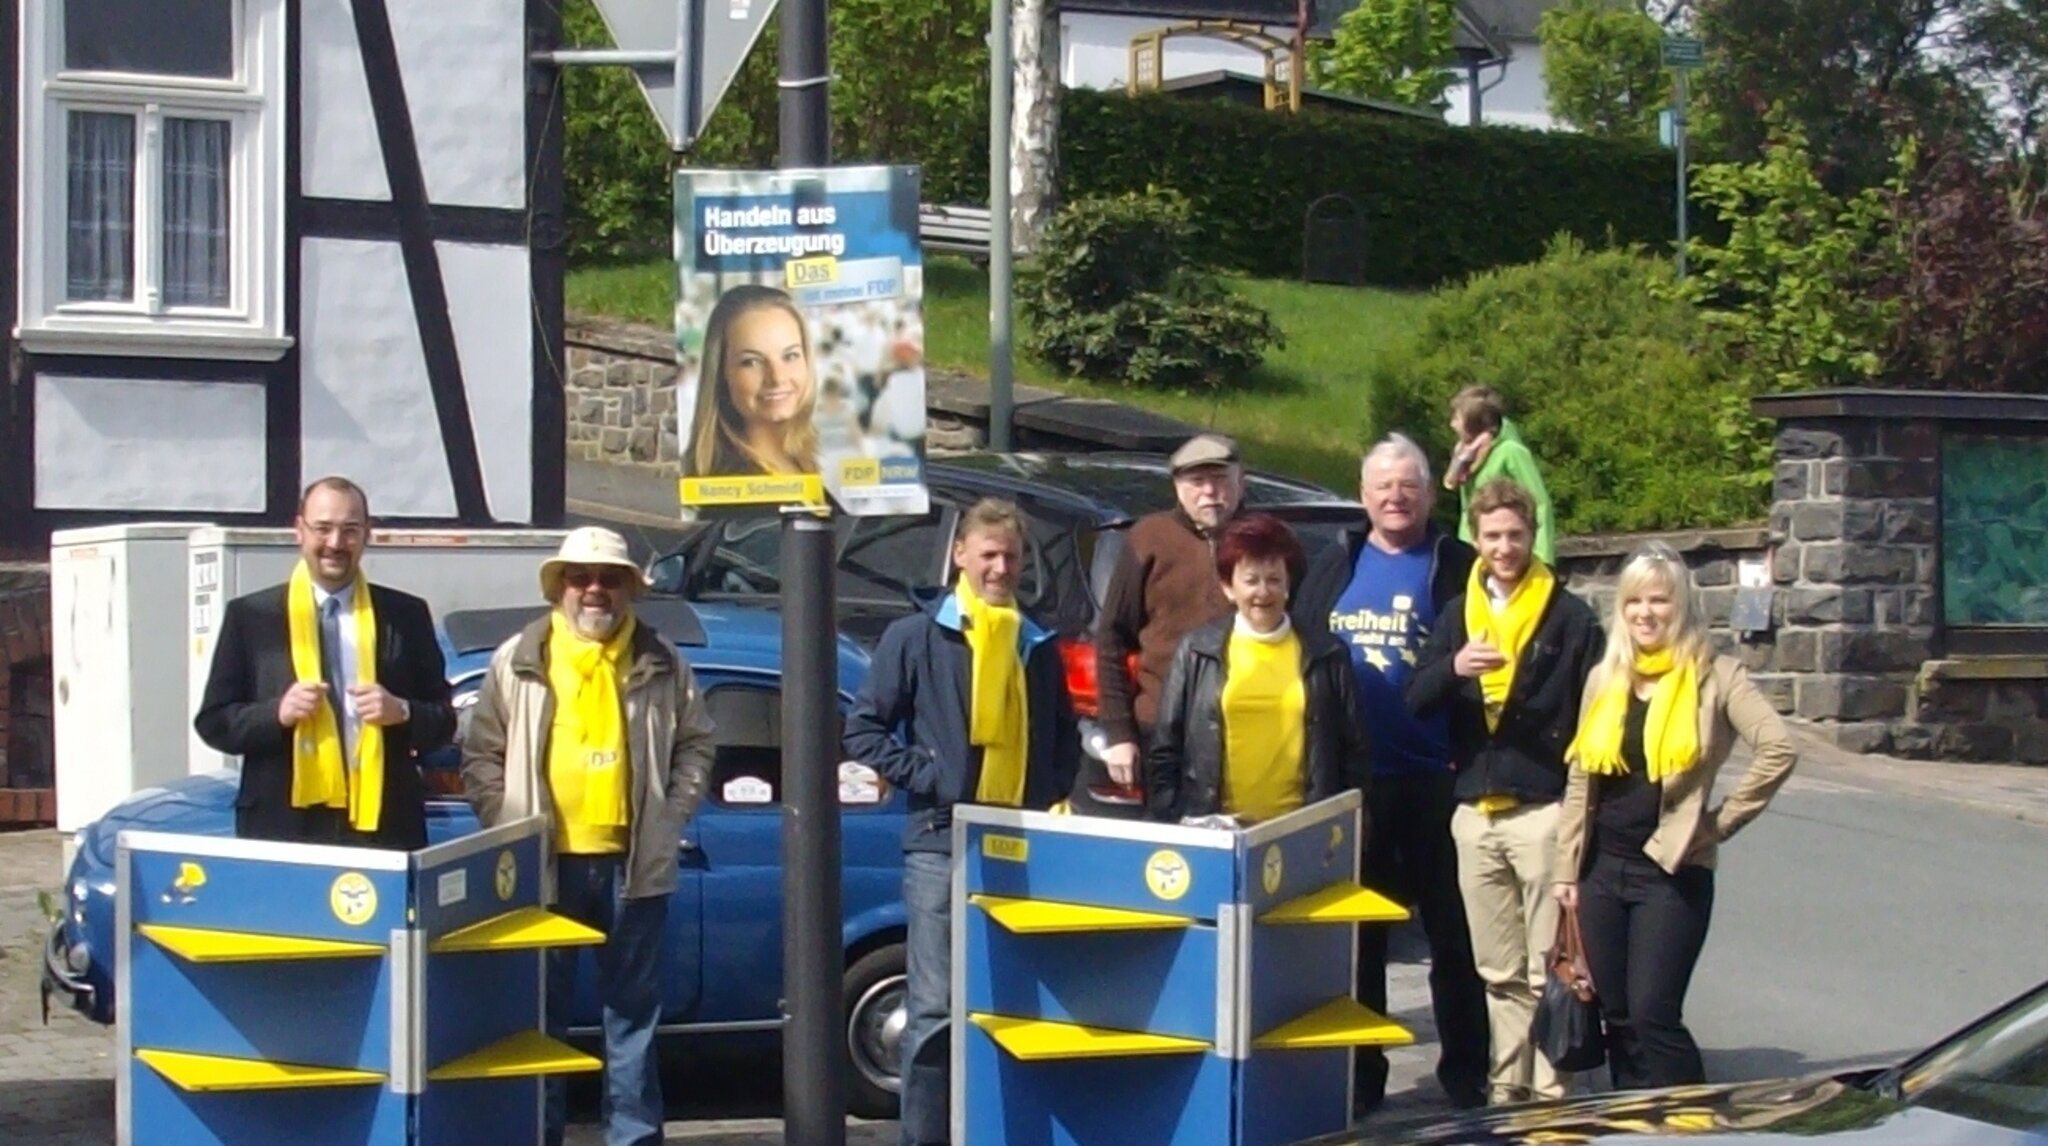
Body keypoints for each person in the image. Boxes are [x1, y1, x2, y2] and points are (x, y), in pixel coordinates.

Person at [460, 526, 717, 1146]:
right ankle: (539, 1136)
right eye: (581, 577)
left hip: (634, 868)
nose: (594, 590)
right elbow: (480, 753)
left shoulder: (663, 660)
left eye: (609, 579)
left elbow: (697, 744)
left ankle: (632, 1138)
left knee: (632, 1023)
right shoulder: (518, 658)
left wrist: (670, 813)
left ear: (630, 589)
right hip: (542, 869)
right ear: (560, 587)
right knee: (539, 1024)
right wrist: (506, 824)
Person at [844, 498, 1081, 1146]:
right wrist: (933, 778)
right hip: (940, 842)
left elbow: (1064, 736)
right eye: (988, 555)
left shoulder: (1036, 644)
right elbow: (862, 730)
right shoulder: (917, 637)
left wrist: (1048, 790)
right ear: (959, 556)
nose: (1000, 568)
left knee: (1013, 1007)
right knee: (936, 1009)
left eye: (1012, 557)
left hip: (1021, 843)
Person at [1292, 434, 1489, 1114]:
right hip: (1358, 783)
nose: (1396, 497)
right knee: (1361, 940)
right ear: (1364, 494)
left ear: (1430, 494)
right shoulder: (1336, 562)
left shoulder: (1458, 566)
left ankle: (1466, 1071)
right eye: (1384, 486)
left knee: (1453, 935)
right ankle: (1362, 1075)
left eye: (1408, 486)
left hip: (1440, 776)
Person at [1554, 541, 1798, 1090]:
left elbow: (1778, 749)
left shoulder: (1718, 676)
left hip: (1671, 871)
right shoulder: (1606, 678)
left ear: (1681, 605)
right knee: (1617, 1015)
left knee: (1653, 1014)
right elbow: (1581, 778)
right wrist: (1565, 870)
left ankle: (1689, 1121)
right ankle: (1633, 1119)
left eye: (1659, 600)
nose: (1646, 613)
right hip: (1600, 870)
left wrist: (1718, 824)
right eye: (1635, 601)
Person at [1407, 477, 1602, 1106]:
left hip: (1541, 809)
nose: (1504, 547)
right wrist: (1454, 667)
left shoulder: (1569, 616)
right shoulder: (1458, 612)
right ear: (1477, 538)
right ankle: (1506, 1087)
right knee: (1497, 971)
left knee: (1547, 966)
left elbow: (1594, 714)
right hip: (1474, 810)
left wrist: (1576, 802)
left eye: (1515, 535)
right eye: (1492, 536)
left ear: (1532, 535)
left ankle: (1551, 1093)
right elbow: (1417, 698)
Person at [194, 477, 453, 850]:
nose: (335, 543)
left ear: (367, 534)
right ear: (299, 530)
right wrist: (276, 713)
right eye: (323, 528)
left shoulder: (405, 615)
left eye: (350, 530)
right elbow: (214, 723)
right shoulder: (251, 617)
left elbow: (444, 721)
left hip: (383, 828)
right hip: (283, 827)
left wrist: (402, 711)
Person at [1145, 514, 1367, 824]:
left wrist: (1347, 822)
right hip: (1216, 828)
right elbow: (1165, 747)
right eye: (1251, 580)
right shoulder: (1197, 650)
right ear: (1228, 587)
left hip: (1301, 828)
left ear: (1288, 585)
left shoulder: (1326, 652)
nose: (1263, 592)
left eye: (1274, 579)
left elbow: (1354, 750)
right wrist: (1173, 815)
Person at [1091, 433, 1247, 816]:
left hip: (1246, 728)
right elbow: (1111, 638)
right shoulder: (1149, 539)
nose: (1209, 492)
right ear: (1177, 487)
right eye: (1197, 482)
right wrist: (1119, 733)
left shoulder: (1263, 540)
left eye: (1220, 479)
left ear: (1241, 481)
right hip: (1163, 732)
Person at [682, 284, 820, 478]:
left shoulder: (806, 460)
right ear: (721, 373)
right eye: (751, 362)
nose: (777, 378)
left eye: (790, 356)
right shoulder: (729, 485)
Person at [1445, 385, 1556, 565]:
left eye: (1457, 418)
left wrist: (1543, 560)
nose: (1452, 424)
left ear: (1473, 422)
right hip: (1474, 554)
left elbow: (1540, 505)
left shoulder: (1512, 452)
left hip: (1511, 555)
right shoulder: (1465, 458)